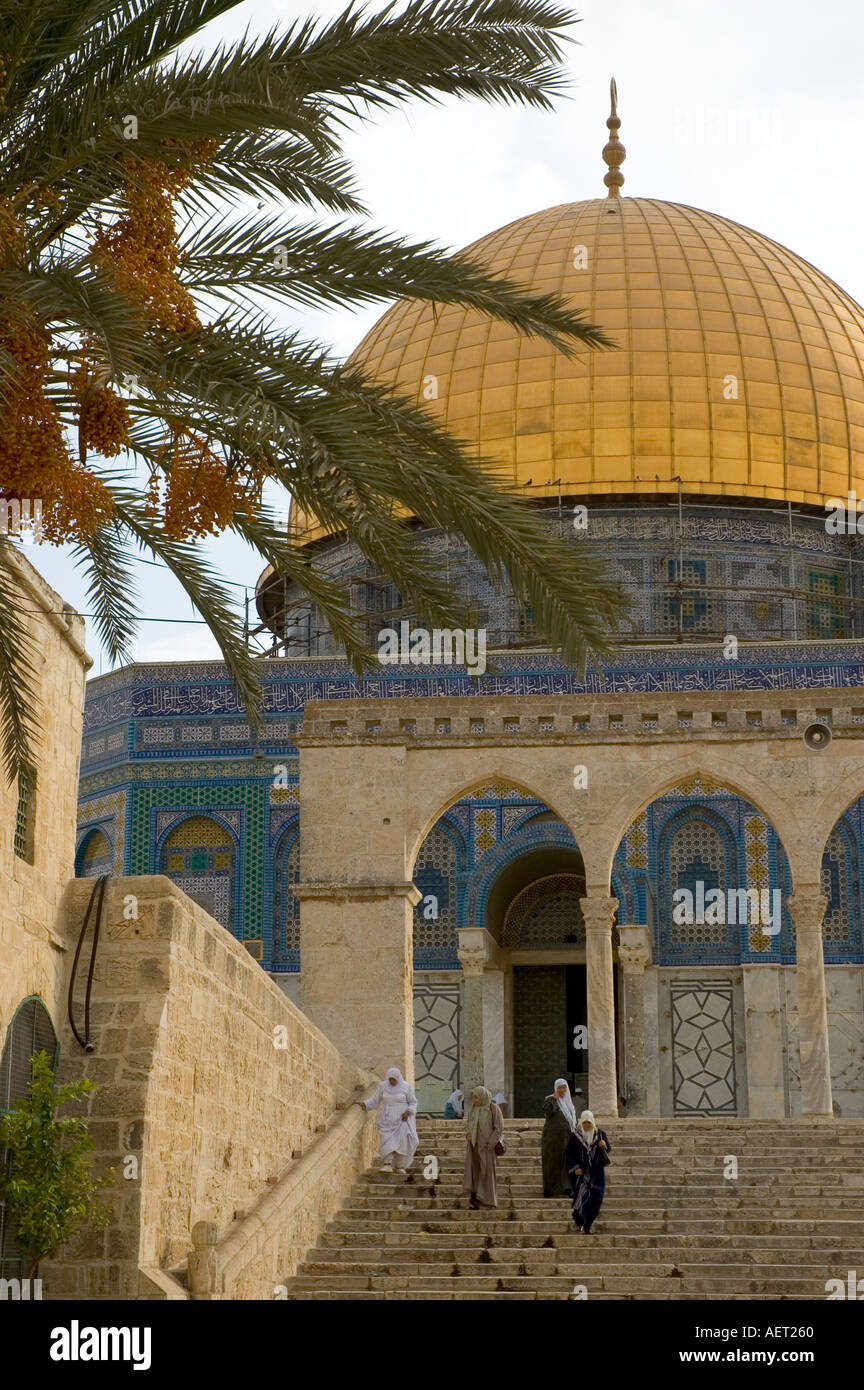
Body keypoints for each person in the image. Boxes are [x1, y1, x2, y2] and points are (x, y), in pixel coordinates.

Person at [356, 1067, 418, 1173]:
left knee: (401, 1142)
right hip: (387, 1119)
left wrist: (408, 1112)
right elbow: (376, 1100)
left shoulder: (407, 1087)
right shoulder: (383, 1086)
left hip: (402, 1119)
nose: (392, 1081)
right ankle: (387, 1164)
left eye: (394, 1079)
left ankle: (399, 1166)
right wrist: (365, 1104)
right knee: (386, 1141)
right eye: (390, 1079)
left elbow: (413, 1102)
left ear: (398, 1078)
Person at [565, 1109, 611, 1234]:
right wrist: (575, 1168)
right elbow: (569, 1154)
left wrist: (603, 1146)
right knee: (581, 1199)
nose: (586, 1125)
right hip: (581, 1175)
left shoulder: (600, 1134)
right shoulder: (575, 1136)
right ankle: (580, 1223)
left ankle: (588, 1224)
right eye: (584, 1123)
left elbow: (608, 1150)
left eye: (589, 1123)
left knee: (596, 1199)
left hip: (597, 1175)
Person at [463, 1086, 504, 1210]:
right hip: (474, 1147)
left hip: (487, 1148)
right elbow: (469, 1124)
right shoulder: (473, 1109)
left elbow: (499, 1128)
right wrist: (468, 1134)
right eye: (473, 1097)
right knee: (474, 1172)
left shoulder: (493, 1109)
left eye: (476, 1097)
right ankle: (474, 1199)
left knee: (487, 1173)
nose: (475, 1100)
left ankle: (488, 1200)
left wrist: (491, 1143)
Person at [541, 1078, 576, 1198]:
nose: (562, 1090)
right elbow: (549, 1111)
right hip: (553, 1139)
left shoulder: (569, 1103)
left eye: (564, 1087)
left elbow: (572, 1122)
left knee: (567, 1162)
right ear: (556, 1088)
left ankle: (567, 1188)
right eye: (559, 1087)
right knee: (552, 1162)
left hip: (566, 1138)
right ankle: (552, 1190)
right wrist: (554, 1099)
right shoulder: (550, 1100)